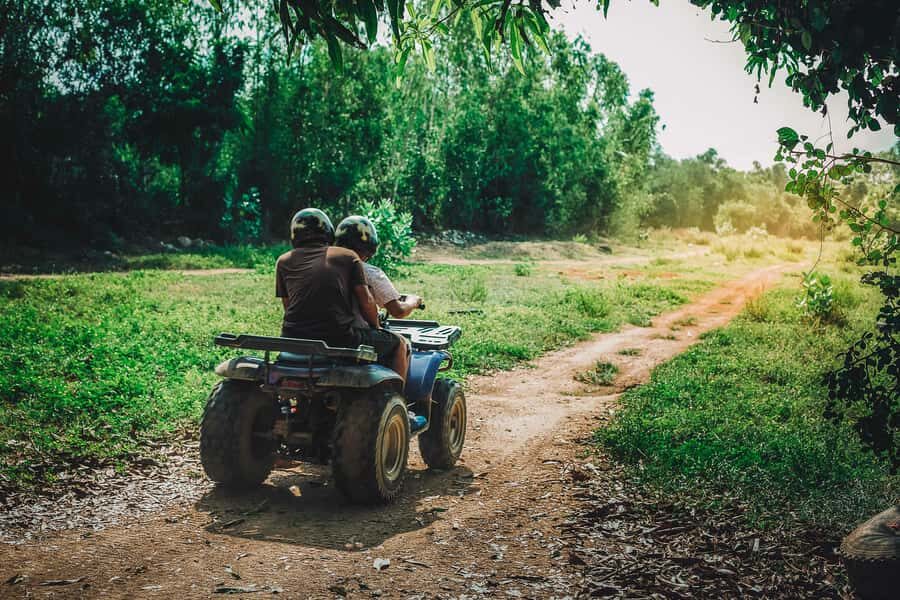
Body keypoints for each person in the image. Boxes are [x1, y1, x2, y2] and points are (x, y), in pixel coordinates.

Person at [275, 208, 406, 382]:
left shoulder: (283, 261)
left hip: (291, 337)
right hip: (340, 337)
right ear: (328, 231)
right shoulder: (347, 257)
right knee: (398, 344)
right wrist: (376, 327)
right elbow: (366, 301)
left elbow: (288, 305)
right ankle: (397, 398)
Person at [333, 215, 423, 318]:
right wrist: (412, 302)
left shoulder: (325, 268)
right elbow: (398, 311)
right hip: (355, 331)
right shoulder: (371, 273)